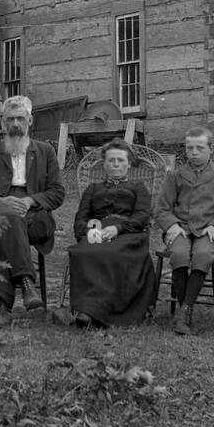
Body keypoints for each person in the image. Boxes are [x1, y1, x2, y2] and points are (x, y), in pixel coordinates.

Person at [0, 95, 65, 329]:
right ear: (3, 122)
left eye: (20, 119)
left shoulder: (45, 152)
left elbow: (57, 193)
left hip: (35, 215)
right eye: (10, 119)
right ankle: (26, 283)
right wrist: (0, 200)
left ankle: (2, 306)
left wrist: (30, 200)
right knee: (6, 219)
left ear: (30, 120)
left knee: (7, 224)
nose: (15, 124)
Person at [67, 138, 157, 328]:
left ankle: (97, 312)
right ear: (104, 164)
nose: (116, 164)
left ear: (129, 163)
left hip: (129, 234)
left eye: (120, 160)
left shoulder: (138, 188)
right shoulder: (93, 189)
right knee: (82, 252)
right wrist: (90, 231)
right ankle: (87, 310)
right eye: (111, 160)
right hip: (97, 233)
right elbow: (80, 218)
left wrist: (117, 229)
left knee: (111, 253)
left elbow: (142, 217)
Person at [153, 126, 214, 335]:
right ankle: (185, 313)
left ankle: (184, 310)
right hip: (180, 227)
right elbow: (162, 208)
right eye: (190, 148)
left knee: (204, 254)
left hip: (207, 229)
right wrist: (171, 225)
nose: (194, 153)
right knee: (179, 254)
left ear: (211, 149)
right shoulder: (176, 176)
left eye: (199, 148)